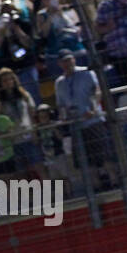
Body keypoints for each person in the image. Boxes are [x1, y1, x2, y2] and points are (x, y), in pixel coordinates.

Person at [53, 48, 116, 192]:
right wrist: (63, 116)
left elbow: (96, 91)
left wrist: (93, 109)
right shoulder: (59, 83)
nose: (67, 63)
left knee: (104, 154)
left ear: (74, 60)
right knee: (86, 159)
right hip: (76, 124)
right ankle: (96, 185)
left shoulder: (86, 73)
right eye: (64, 61)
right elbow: (61, 104)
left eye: (69, 60)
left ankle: (114, 181)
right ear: (59, 64)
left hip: (93, 120)